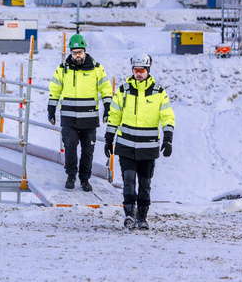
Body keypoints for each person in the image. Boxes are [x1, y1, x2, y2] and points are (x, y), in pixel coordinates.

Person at [105, 53, 175, 230]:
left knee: (145, 184)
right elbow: (114, 115)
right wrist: (108, 138)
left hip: (148, 147)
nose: (138, 73)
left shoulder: (159, 92)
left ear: (148, 70)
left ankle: (142, 217)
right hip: (126, 146)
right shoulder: (123, 90)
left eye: (142, 70)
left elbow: (167, 116)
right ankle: (129, 215)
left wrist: (168, 139)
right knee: (128, 181)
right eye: (135, 70)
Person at [48, 33, 112, 192]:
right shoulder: (63, 69)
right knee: (70, 145)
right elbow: (55, 89)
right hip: (69, 117)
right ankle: (71, 175)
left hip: (89, 118)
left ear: (85, 51)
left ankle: (85, 179)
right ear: (71, 52)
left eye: (80, 52)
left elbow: (105, 88)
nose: (77, 56)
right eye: (74, 53)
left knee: (88, 149)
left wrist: (107, 107)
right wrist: (51, 109)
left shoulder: (96, 68)